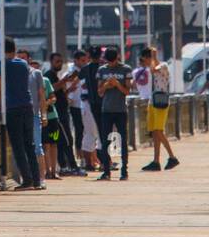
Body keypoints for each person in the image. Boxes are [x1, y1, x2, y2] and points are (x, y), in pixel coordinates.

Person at [0, 39, 41, 192]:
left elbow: (0, 85)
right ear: (14, 49)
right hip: (27, 106)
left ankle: (27, 180)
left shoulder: (3, 64)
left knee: (18, 146)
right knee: (30, 145)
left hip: (13, 108)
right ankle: (37, 180)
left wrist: (0, 106)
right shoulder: (23, 64)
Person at [139, 46, 180, 172]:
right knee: (155, 132)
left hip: (161, 101)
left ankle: (172, 157)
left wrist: (154, 57)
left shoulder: (163, 65)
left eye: (144, 59)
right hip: (153, 101)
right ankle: (156, 161)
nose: (143, 62)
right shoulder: (150, 67)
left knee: (159, 131)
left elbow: (154, 69)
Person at [96, 45, 132, 181]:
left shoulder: (125, 69)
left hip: (120, 110)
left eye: (113, 61)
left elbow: (127, 91)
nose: (110, 64)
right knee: (105, 141)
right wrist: (106, 85)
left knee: (123, 140)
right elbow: (99, 93)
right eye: (108, 61)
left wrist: (117, 84)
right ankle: (106, 170)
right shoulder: (102, 70)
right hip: (106, 110)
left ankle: (124, 170)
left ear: (117, 58)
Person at [45, 52, 81, 174]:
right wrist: (64, 81)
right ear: (51, 62)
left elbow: (59, 94)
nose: (59, 64)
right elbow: (52, 89)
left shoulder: (56, 75)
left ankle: (64, 166)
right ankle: (71, 166)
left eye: (61, 61)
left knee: (60, 141)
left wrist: (69, 88)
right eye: (57, 61)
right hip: (57, 116)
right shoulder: (49, 75)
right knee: (66, 140)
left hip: (61, 114)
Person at [18, 49, 48, 188]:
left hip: (34, 115)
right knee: (22, 148)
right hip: (19, 114)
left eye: (24, 57)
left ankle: (41, 178)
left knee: (37, 147)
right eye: (19, 58)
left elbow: (42, 96)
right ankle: (26, 178)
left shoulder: (36, 73)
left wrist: (44, 114)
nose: (21, 60)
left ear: (29, 59)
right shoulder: (15, 74)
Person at [66, 50, 88, 160]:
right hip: (75, 105)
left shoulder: (86, 70)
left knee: (86, 130)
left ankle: (86, 155)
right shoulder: (71, 71)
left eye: (86, 60)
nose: (85, 62)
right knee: (79, 130)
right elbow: (69, 86)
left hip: (85, 104)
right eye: (82, 60)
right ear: (76, 60)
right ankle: (80, 155)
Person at [41, 69, 60, 179]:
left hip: (53, 117)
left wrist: (47, 102)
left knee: (54, 143)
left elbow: (53, 97)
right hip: (41, 118)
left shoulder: (45, 81)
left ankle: (54, 171)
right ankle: (47, 171)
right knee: (45, 145)